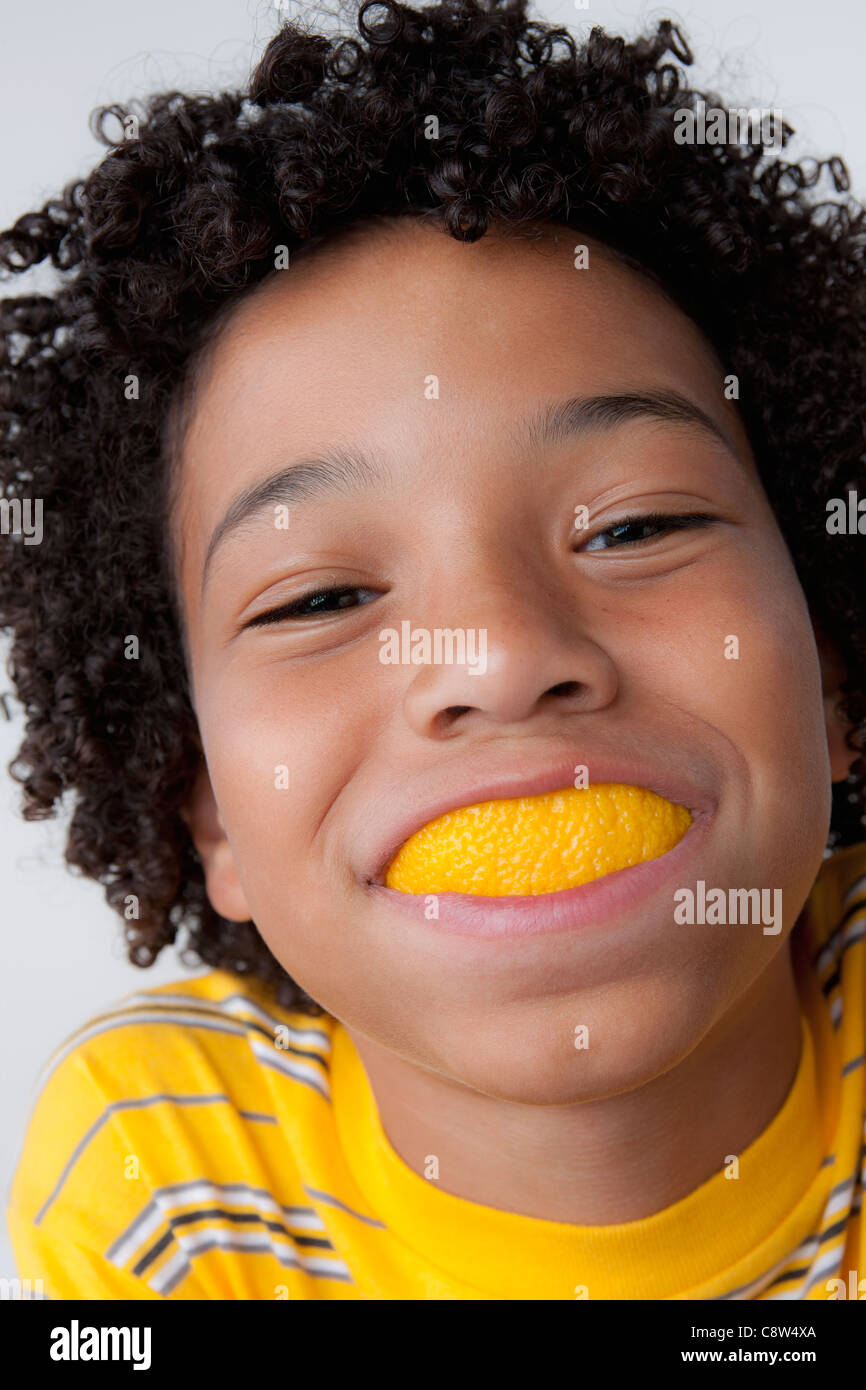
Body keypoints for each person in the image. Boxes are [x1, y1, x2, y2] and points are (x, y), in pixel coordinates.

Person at [3, 0, 864, 1300]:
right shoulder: (160, 1182)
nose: (501, 655)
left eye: (635, 523)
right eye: (318, 597)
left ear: (836, 671)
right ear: (206, 808)